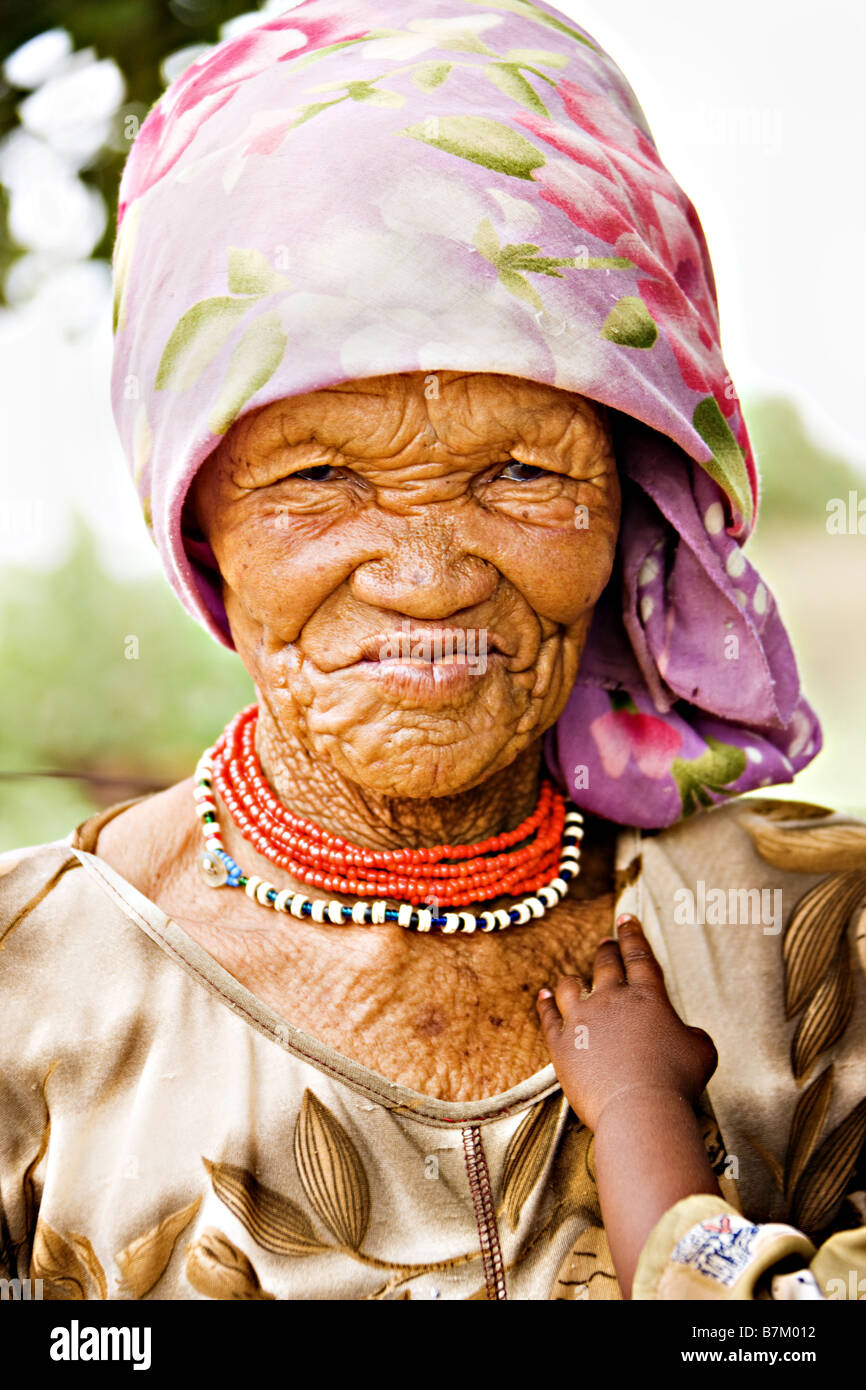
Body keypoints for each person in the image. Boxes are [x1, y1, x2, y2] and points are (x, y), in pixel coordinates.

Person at [1, 0, 864, 1301]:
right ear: (196, 518)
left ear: (634, 495)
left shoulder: (815, 940)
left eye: (521, 471)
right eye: (319, 476)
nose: (427, 575)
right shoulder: (26, 983)